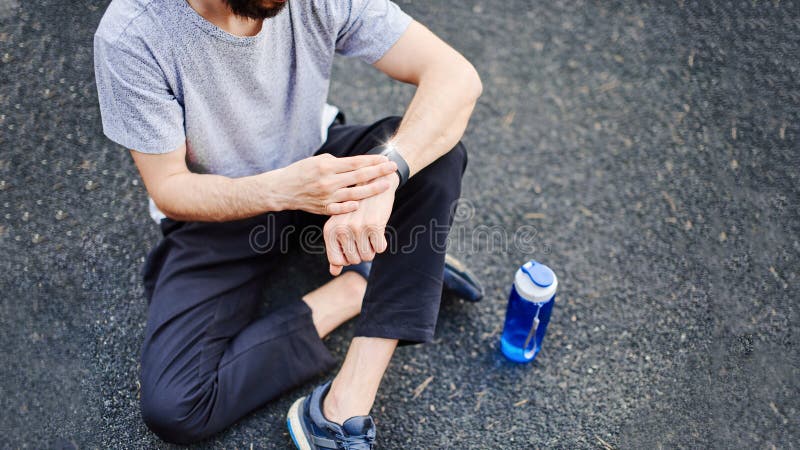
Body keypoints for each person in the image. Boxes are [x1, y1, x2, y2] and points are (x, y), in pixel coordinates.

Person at [94, 0, 483, 447]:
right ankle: (362, 283)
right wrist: (282, 190)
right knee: (176, 407)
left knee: (432, 155)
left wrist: (388, 176)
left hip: (317, 163)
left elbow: (455, 76)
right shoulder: (132, 35)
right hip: (217, 213)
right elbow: (170, 188)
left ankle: (342, 408)